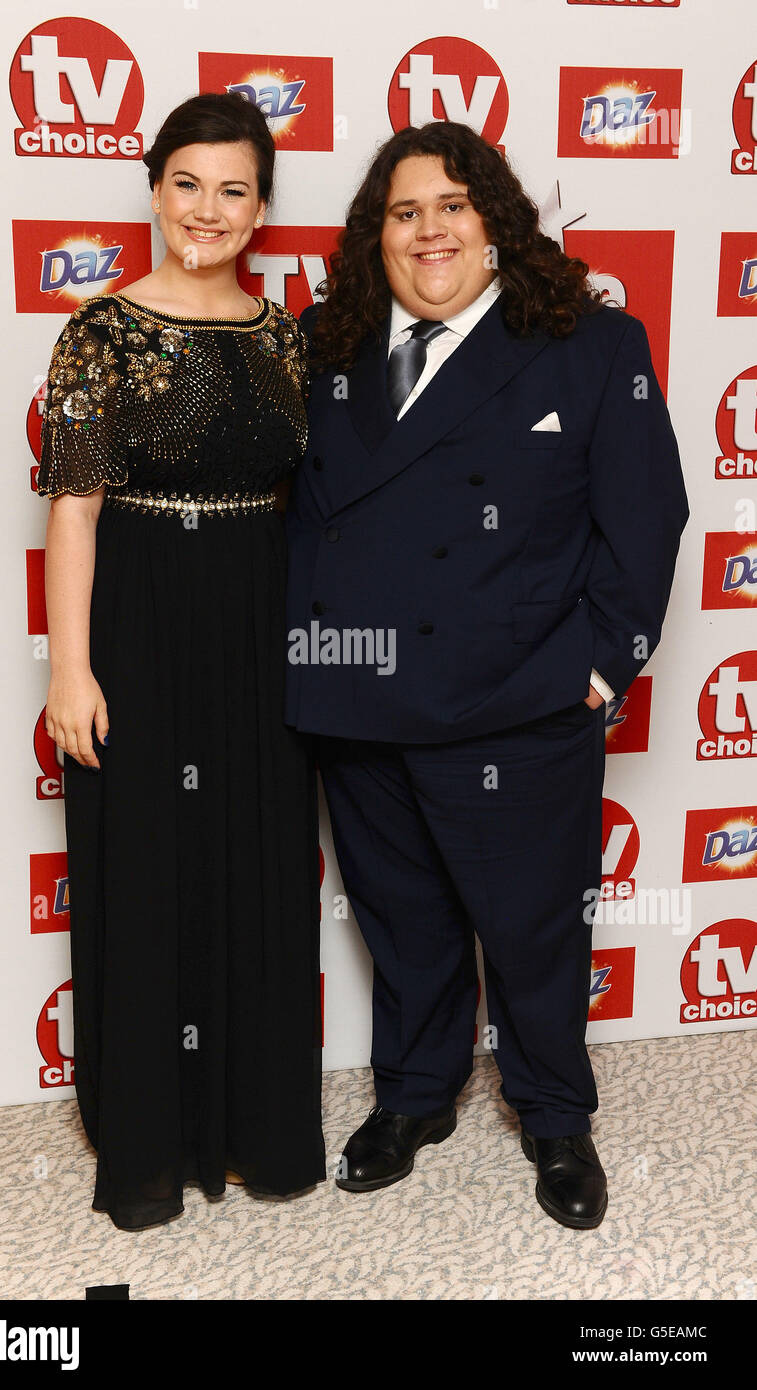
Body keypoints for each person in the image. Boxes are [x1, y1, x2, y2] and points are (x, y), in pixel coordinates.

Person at [284, 121, 689, 1229]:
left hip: (519, 699)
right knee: (400, 920)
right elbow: (295, 521)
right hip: (359, 694)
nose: (429, 231)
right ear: (378, 234)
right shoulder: (327, 342)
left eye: (454, 206)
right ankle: (416, 1097)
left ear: (496, 223)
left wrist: (599, 669)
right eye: (404, 211)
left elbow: (646, 519)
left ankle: (554, 1113)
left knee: (531, 927)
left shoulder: (589, 346)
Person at [37, 91, 325, 1231]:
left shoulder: (285, 333)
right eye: (188, 184)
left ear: (262, 207)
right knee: (150, 865)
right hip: (140, 628)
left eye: (234, 188)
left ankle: (256, 1125)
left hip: (260, 629)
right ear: (154, 190)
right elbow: (73, 509)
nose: (208, 210)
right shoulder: (99, 330)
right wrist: (72, 669)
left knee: (256, 862)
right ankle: (152, 1131)